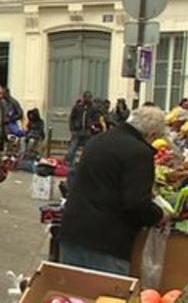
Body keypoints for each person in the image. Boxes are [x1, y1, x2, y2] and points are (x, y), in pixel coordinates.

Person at [59, 106, 167, 275]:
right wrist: (159, 215)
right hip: (107, 240)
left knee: (74, 295)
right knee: (105, 298)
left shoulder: (99, 140)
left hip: (73, 230)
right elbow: (136, 203)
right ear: (151, 134)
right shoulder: (139, 152)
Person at [66, 91, 101, 167]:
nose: (88, 99)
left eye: (89, 97)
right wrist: (72, 129)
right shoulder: (77, 107)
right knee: (72, 149)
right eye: (86, 97)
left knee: (88, 150)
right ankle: (69, 165)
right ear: (83, 97)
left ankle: (85, 165)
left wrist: (92, 125)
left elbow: (97, 120)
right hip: (77, 131)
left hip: (88, 131)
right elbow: (72, 118)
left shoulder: (94, 108)